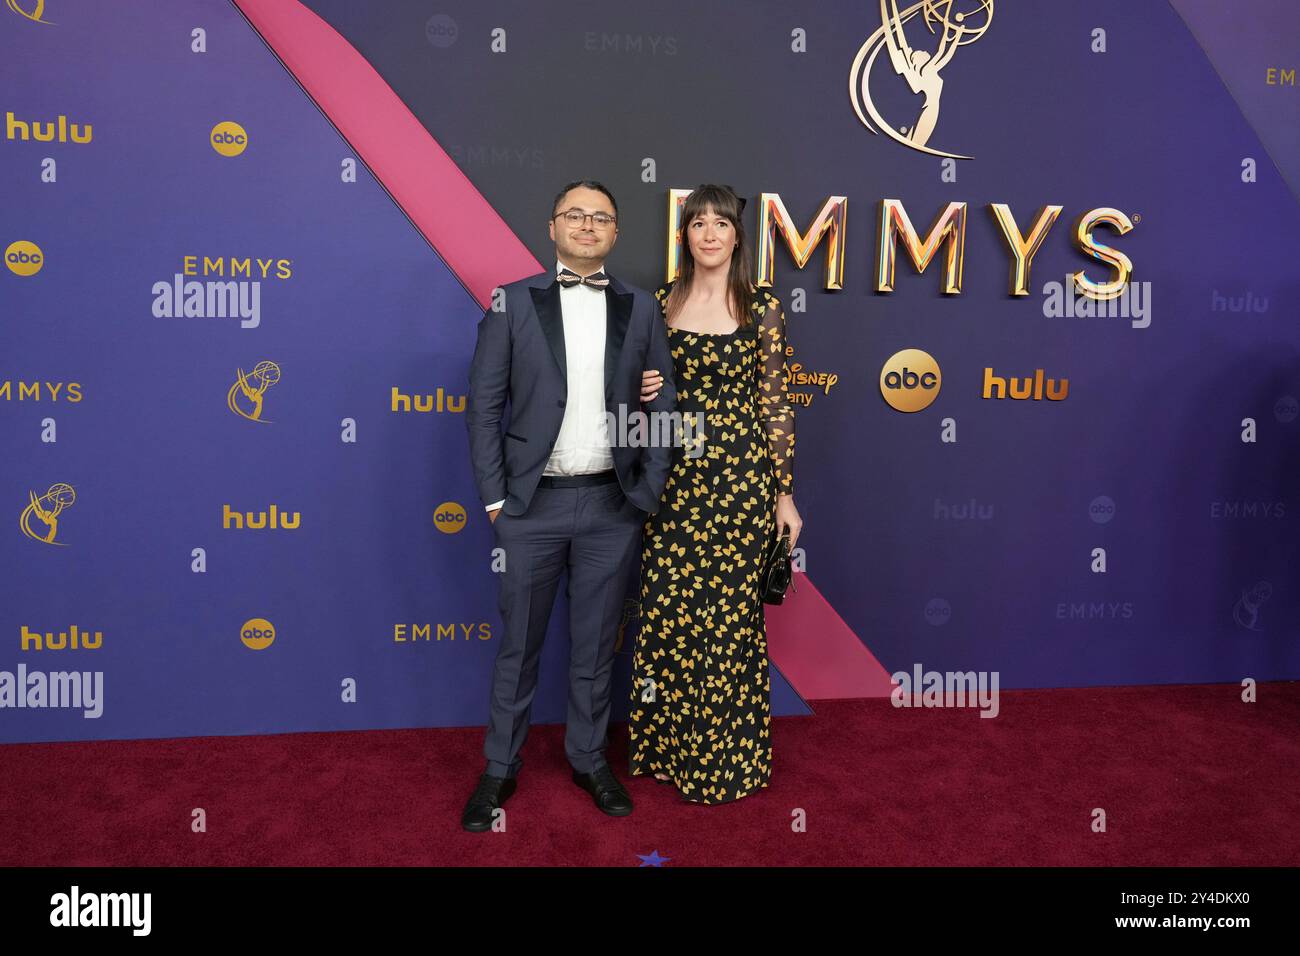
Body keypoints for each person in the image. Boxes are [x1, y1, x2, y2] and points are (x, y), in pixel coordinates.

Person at [461, 180, 677, 832]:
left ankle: (588, 760)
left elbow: (663, 407)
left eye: (601, 218)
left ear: (615, 234)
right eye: (575, 216)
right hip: (532, 509)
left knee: (593, 650)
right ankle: (500, 767)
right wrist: (498, 501)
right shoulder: (512, 302)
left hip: (613, 508)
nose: (588, 226)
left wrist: (646, 491)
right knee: (518, 649)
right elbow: (483, 407)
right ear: (553, 228)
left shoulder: (640, 308)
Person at [629, 183, 803, 805]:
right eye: (697, 222)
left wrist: (783, 495)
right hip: (671, 481)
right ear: (685, 235)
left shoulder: (762, 305)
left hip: (739, 484)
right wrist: (644, 386)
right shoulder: (657, 302)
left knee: (728, 624)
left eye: (720, 223)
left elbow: (777, 402)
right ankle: (666, 752)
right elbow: (633, 390)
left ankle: (725, 761)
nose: (708, 232)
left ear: (737, 236)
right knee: (670, 616)